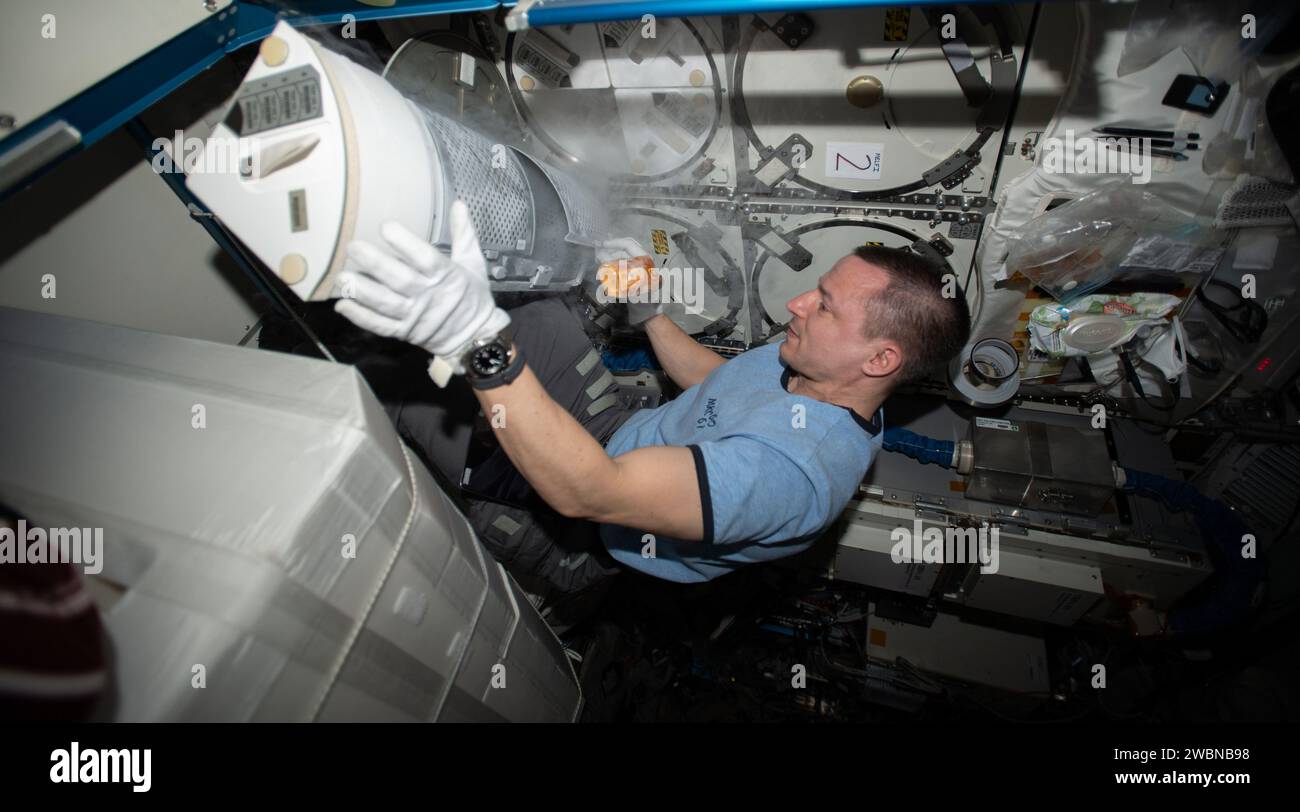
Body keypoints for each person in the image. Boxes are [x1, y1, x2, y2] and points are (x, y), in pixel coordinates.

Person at [333, 201, 969, 608]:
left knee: (399, 394)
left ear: (880, 360)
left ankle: (329, 347)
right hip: (619, 427)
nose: (798, 303)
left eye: (825, 305)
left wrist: (475, 342)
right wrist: (650, 314)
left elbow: (591, 491)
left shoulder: (791, 479)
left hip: (586, 529)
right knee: (538, 312)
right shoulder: (811, 370)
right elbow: (720, 385)